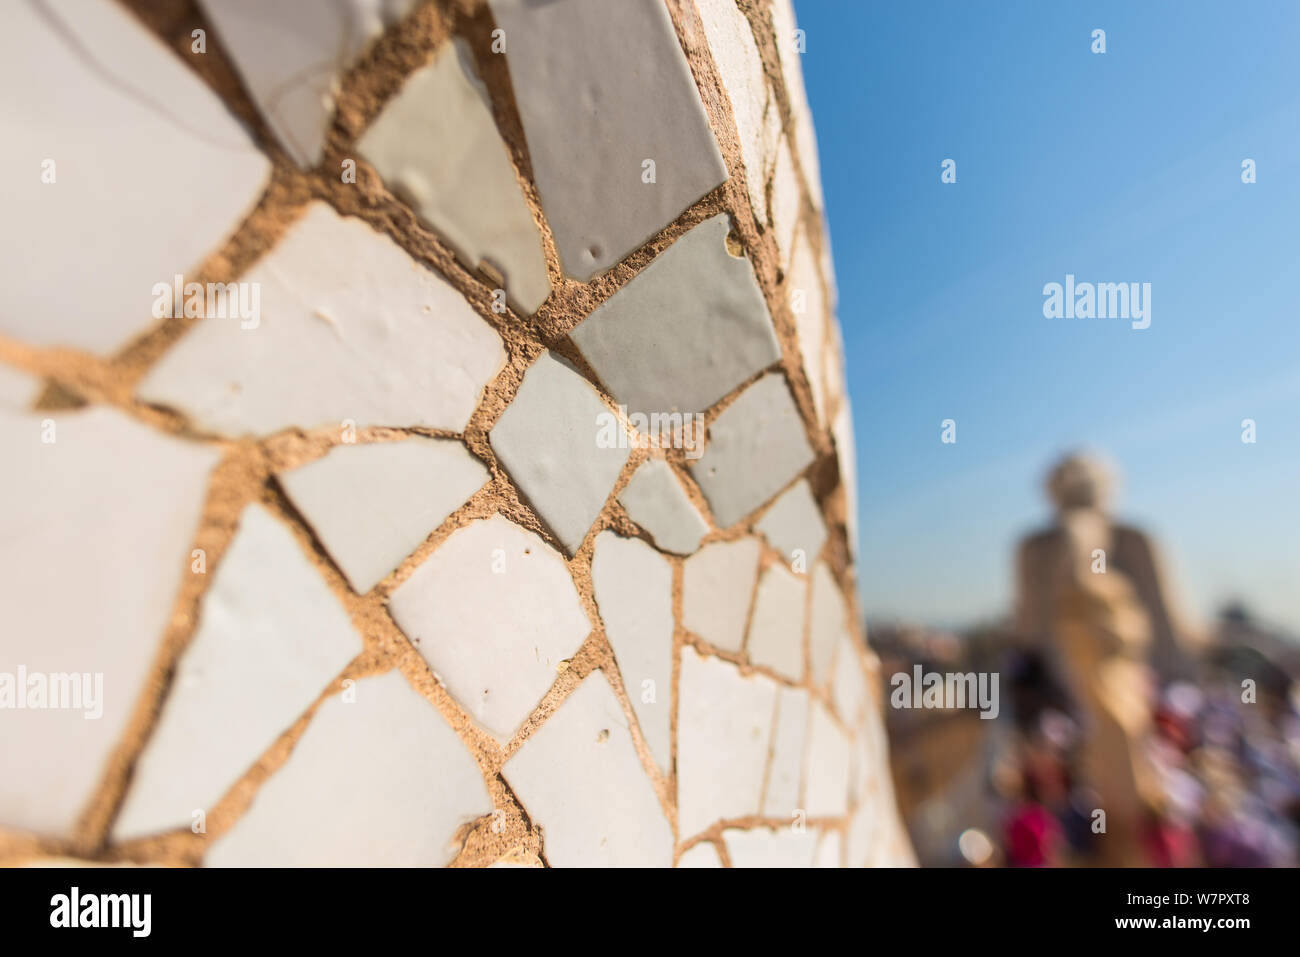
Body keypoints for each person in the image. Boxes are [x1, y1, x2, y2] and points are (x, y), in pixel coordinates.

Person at [1013, 453, 1194, 865]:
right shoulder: (1122, 538)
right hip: (1096, 672)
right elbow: (1172, 633)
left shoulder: (1044, 544)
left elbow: (1027, 635)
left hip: (1095, 676)